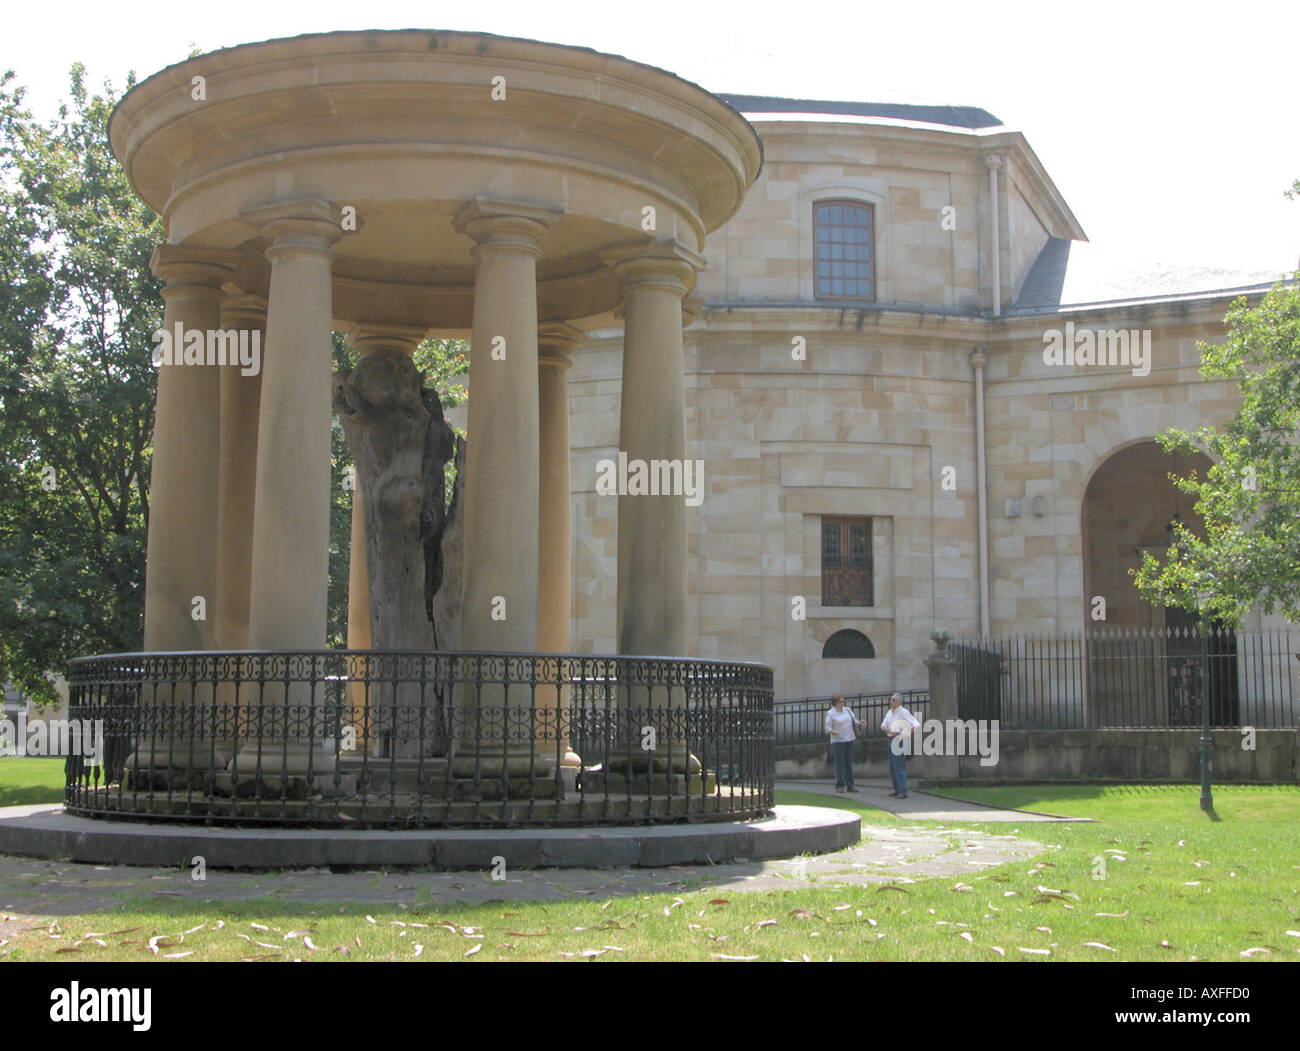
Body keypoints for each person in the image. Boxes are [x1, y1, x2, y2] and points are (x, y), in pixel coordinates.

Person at [881, 692, 921, 798]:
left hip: (899, 740)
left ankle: (903, 791)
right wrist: (889, 730)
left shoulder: (903, 712)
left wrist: (903, 735)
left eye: (893, 700)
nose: (891, 702)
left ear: (899, 702)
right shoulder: (890, 712)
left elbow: (915, 725)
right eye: (891, 699)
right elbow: (882, 726)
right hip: (890, 738)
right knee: (892, 766)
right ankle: (897, 789)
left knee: (899, 766)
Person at [824, 694, 864, 793]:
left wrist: (860, 722)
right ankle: (840, 785)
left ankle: (851, 785)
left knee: (848, 763)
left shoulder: (847, 710)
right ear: (836, 703)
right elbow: (827, 728)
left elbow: (854, 720)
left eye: (843, 701)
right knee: (839, 764)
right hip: (838, 741)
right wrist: (834, 732)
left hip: (849, 738)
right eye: (841, 701)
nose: (843, 703)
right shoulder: (831, 713)